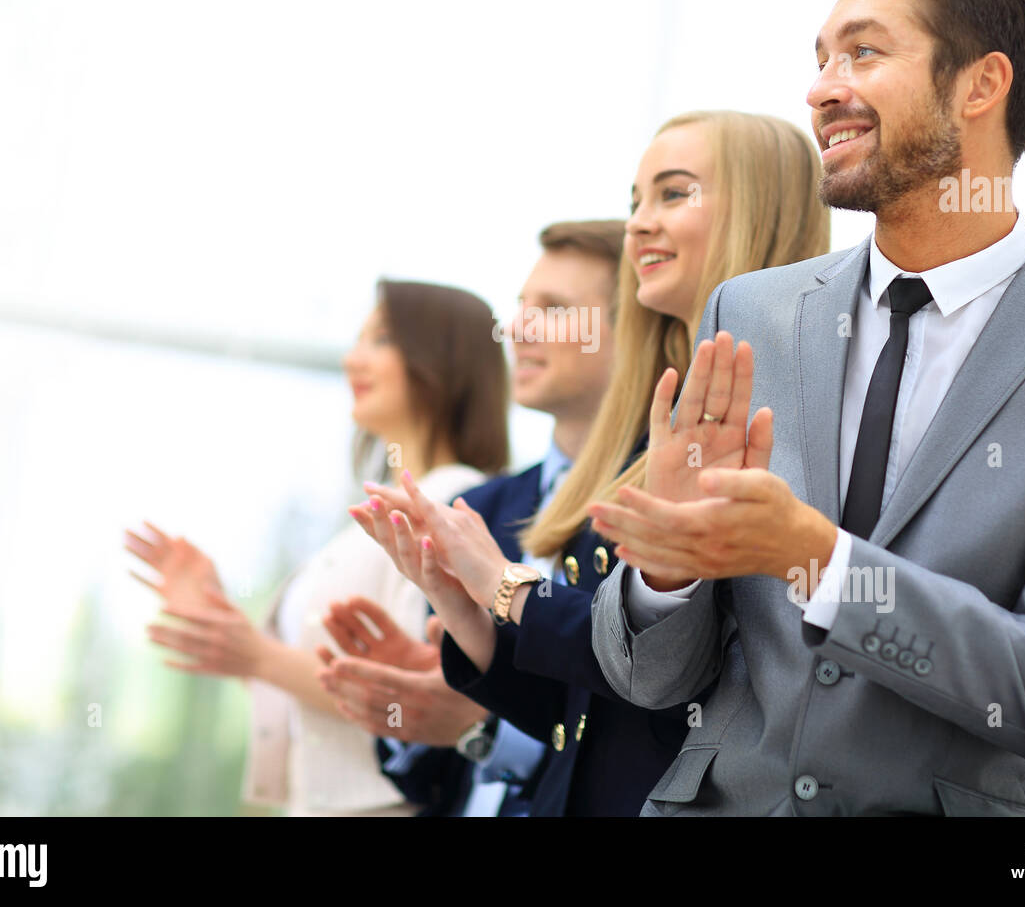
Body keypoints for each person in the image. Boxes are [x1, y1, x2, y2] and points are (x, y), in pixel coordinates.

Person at [587, 0, 1025, 816]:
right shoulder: (749, 311)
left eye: (863, 54)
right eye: (822, 58)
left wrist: (819, 560)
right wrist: (669, 573)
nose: (821, 90)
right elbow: (652, 681)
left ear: (983, 84)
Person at [352, 110, 830, 815]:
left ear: (758, 211)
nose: (637, 224)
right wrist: (470, 611)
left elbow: (686, 690)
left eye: (672, 195)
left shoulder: (799, 424)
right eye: (635, 201)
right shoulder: (655, 438)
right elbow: (592, 713)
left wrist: (504, 587)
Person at [125, 280, 507, 816]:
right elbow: (314, 683)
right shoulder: (367, 518)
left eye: (381, 339)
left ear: (440, 358)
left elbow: (419, 695)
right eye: (357, 340)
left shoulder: (457, 503)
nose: (354, 359)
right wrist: (225, 627)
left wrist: (254, 653)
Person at [319, 219, 625, 816]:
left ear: (633, 331)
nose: (517, 329)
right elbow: (438, 778)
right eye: (520, 306)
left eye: (555, 309)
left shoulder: (649, 509)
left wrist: (483, 723)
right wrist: (415, 699)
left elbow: (629, 727)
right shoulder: (481, 509)